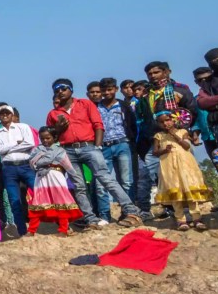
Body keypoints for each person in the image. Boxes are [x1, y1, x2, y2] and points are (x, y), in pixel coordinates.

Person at [46, 78, 144, 228]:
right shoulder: (53, 113)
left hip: (89, 146)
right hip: (68, 150)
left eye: (63, 88)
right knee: (79, 186)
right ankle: (90, 218)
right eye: (57, 90)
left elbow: (98, 125)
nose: (60, 92)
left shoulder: (85, 104)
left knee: (106, 179)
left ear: (71, 90)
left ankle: (131, 211)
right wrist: (58, 129)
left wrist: (97, 147)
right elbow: (52, 137)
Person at [133, 62, 200, 220]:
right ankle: (170, 210)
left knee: (184, 174)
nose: (153, 76)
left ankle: (192, 212)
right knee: (158, 175)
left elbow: (192, 112)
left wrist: (188, 132)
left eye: (156, 72)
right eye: (150, 73)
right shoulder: (146, 96)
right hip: (155, 140)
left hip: (178, 138)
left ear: (166, 72)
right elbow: (142, 117)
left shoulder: (180, 90)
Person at [153, 111, 212, 231]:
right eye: (162, 122)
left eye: (168, 120)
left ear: (174, 119)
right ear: (158, 124)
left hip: (185, 164)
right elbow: (155, 152)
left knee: (190, 190)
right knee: (175, 191)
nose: (166, 123)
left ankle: (196, 217)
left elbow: (187, 146)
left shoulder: (183, 132)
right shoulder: (158, 136)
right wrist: (164, 151)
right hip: (169, 166)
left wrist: (174, 135)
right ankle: (181, 220)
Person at [26, 127, 83, 235]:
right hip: (41, 177)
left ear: (54, 138)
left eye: (48, 138)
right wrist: (43, 162)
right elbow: (32, 162)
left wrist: (42, 161)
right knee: (38, 201)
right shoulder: (36, 150)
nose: (45, 141)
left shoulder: (60, 150)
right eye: (42, 139)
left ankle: (63, 229)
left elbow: (68, 166)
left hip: (56, 177)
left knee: (61, 201)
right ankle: (31, 230)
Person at [0, 104, 33, 236]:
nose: (5, 115)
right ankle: (22, 230)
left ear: (12, 115)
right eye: (2, 114)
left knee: (38, 192)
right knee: (14, 200)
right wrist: (17, 144)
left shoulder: (23, 127)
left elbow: (29, 144)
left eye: (7, 113)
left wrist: (7, 148)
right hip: (8, 168)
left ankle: (45, 222)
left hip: (25, 165)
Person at [96, 78, 137, 221]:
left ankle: (128, 213)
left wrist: (130, 141)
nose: (107, 93)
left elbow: (132, 125)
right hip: (103, 147)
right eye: (104, 90)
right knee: (101, 183)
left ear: (115, 89)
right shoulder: (96, 108)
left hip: (122, 144)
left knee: (126, 181)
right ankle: (104, 215)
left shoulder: (124, 105)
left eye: (110, 89)